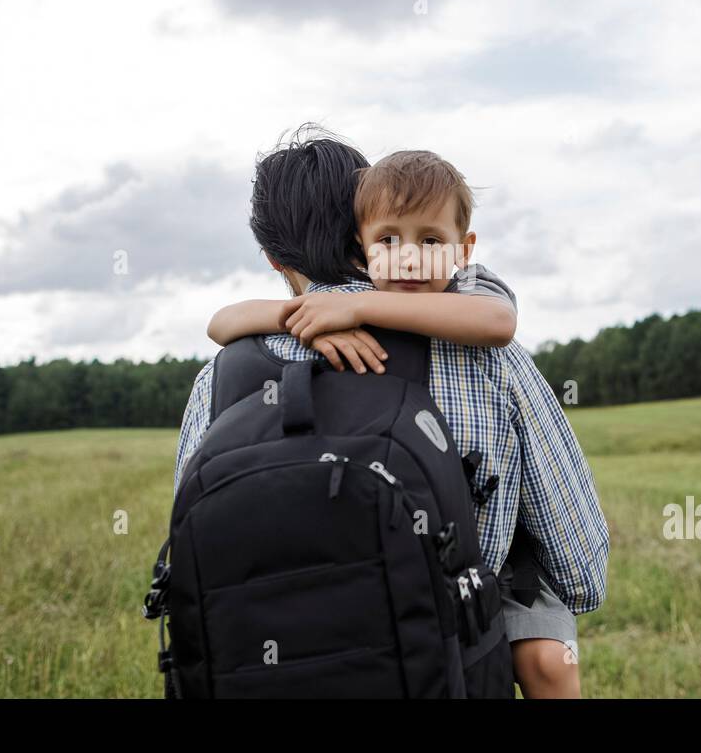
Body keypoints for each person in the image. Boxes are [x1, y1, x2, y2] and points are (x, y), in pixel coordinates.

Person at [174, 125, 609, 698]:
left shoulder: (220, 377)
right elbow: (578, 569)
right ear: (360, 235)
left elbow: (186, 566)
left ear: (272, 258)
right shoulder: (478, 353)